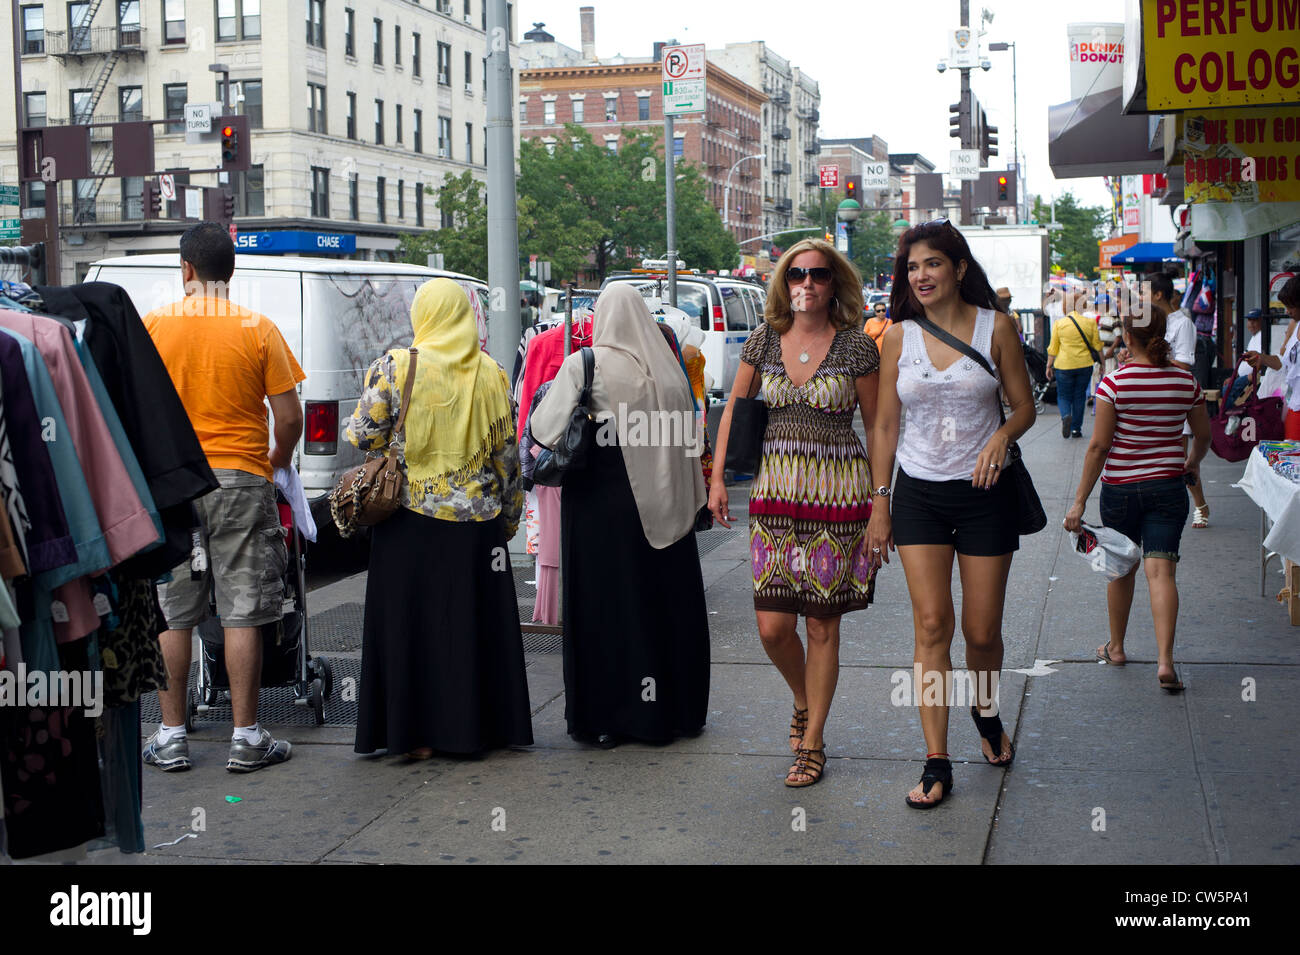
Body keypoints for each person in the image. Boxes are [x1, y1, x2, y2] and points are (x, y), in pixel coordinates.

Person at [868, 220, 1036, 809]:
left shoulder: (998, 329)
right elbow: (886, 424)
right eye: (912, 268)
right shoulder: (897, 337)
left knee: (982, 632)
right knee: (932, 626)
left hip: (986, 493)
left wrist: (1002, 439)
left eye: (932, 264)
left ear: (959, 268)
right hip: (918, 493)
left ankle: (986, 712)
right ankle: (937, 760)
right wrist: (879, 502)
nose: (921, 276)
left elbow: (1024, 406)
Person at [709, 238, 879, 788]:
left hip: (839, 498)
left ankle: (813, 743)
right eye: (797, 275)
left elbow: (877, 427)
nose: (807, 284)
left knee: (822, 624)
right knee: (773, 625)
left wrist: (883, 503)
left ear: (835, 285)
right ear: (784, 282)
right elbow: (734, 407)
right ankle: (804, 699)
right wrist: (715, 477)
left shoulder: (856, 348)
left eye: (819, 276)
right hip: (776, 497)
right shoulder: (764, 340)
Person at [141, 222, 304, 773]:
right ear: (230, 272)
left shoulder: (155, 327)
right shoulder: (258, 328)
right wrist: (275, 464)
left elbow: (134, 412)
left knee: (174, 614)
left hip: (175, 484)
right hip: (241, 478)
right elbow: (288, 417)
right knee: (242, 611)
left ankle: (170, 736)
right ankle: (246, 736)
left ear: (185, 270)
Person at [347, 279, 532, 758]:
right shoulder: (490, 373)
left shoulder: (395, 366)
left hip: (409, 522)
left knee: (412, 629)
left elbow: (364, 435)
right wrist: (508, 521)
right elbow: (508, 459)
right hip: (477, 530)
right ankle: (473, 729)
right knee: (469, 630)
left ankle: (413, 736)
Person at [531, 283, 710, 748]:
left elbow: (545, 429)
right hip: (667, 509)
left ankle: (610, 717)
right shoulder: (668, 368)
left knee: (606, 608)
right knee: (662, 607)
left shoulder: (585, 363)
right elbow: (689, 442)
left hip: (601, 506)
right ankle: (673, 713)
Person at [1065, 306, 1211, 693]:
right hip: (1168, 488)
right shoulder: (1185, 382)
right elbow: (1203, 435)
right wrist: (1190, 463)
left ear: (1127, 337)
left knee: (1122, 569)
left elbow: (1098, 446)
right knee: (1162, 573)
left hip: (1121, 491)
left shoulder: (1114, 384)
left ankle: (1116, 648)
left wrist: (1079, 501)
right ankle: (1165, 661)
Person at [1149, 273, 1210, 528]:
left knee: (1181, 460)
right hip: (1151, 396)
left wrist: (1154, 359)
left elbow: (1184, 363)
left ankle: (1200, 505)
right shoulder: (1150, 320)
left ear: (1158, 294)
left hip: (1175, 396)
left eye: (1143, 293)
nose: (1139, 299)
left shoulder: (1182, 324)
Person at [1242, 277, 1300, 438]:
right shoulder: (1295, 327)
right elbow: (1284, 364)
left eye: (1291, 306)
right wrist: (1261, 357)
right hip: (1293, 405)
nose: (1287, 311)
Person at [1046, 302, 1103, 438]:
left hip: (1064, 365)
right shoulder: (1090, 323)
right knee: (1079, 396)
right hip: (1084, 364)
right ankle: (1076, 429)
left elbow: (1053, 348)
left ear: (1065, 308)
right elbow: (1097, 346)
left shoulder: (1059, 324)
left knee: (1063, 395)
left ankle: (1066, 416)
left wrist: (1048, 366)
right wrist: (1103, 364)